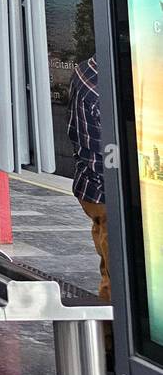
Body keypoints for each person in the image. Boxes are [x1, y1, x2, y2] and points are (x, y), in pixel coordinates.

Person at [68, 57, 109, 303]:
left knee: (110, 268)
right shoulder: (99, 83)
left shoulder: (86, 72)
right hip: (106, 194)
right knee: (119, 276)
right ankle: (114, 325)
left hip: (93, 189)